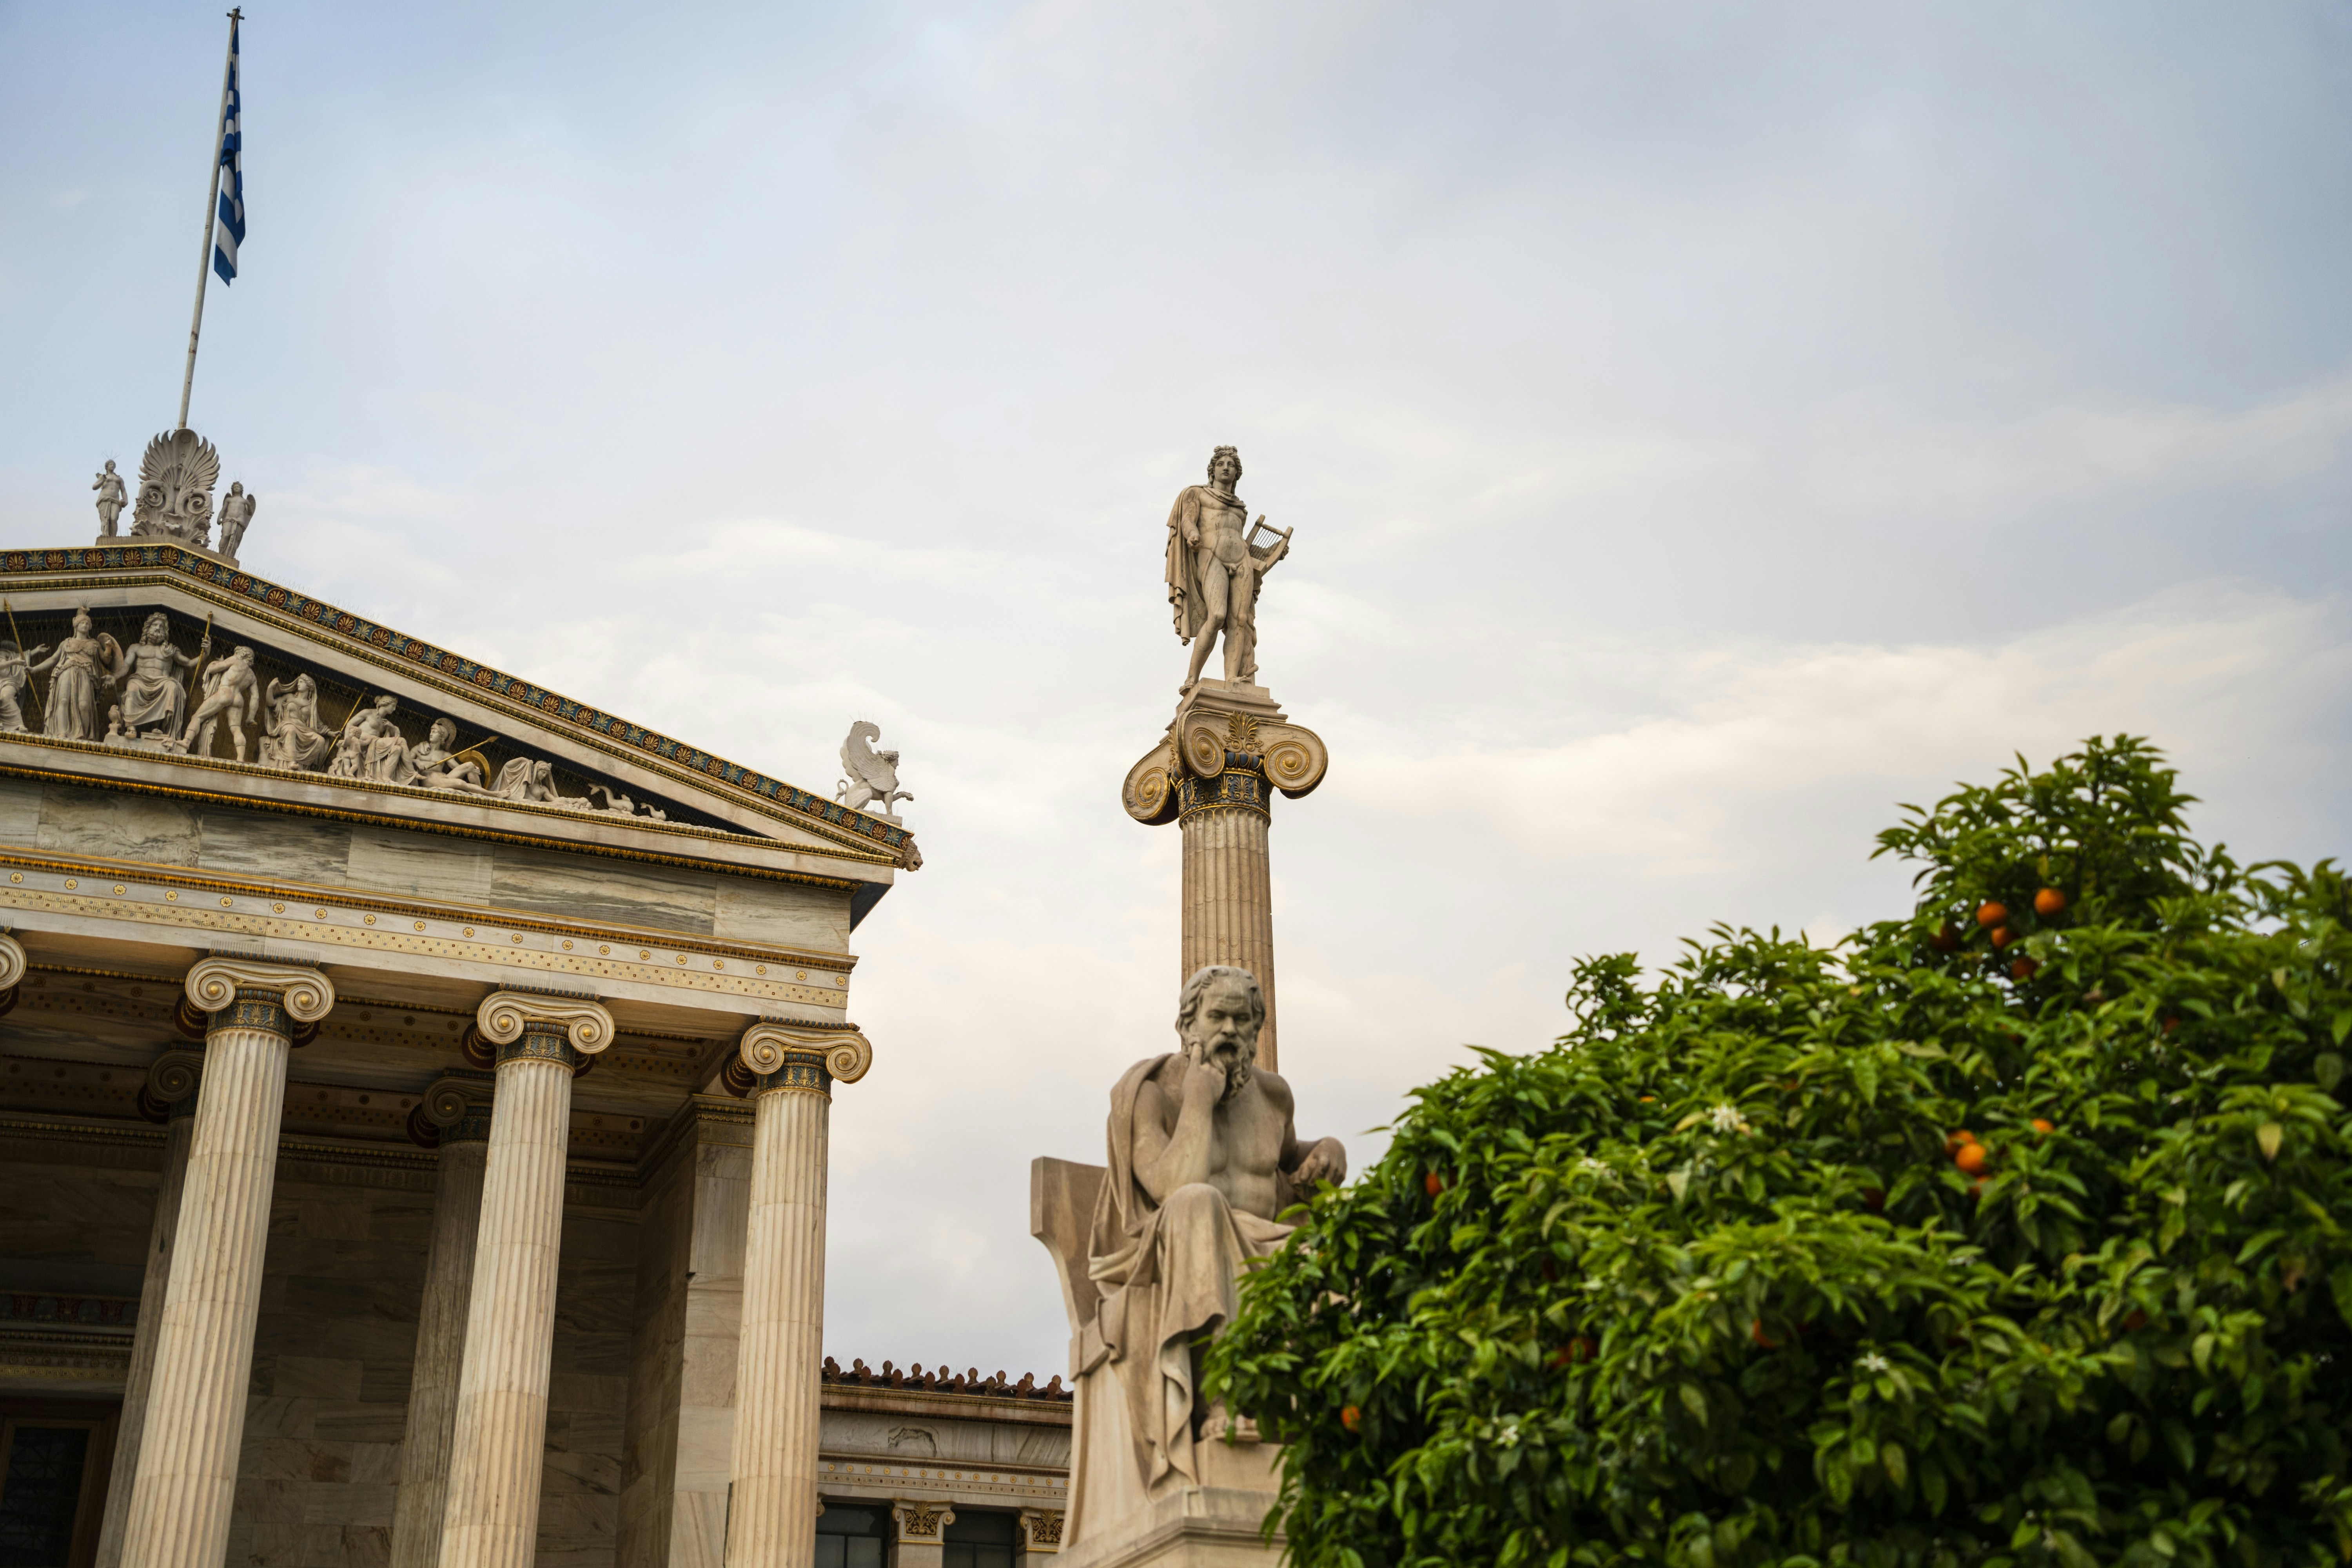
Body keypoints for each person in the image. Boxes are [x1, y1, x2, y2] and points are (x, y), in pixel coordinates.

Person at [1085, 965, 1345, 1496]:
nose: (1229, 1030)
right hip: (1174, 1247)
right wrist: (1201, 1098)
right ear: (1189, 1026)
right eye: (1217, 1017)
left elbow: (1291, 1159)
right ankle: (1222, 1396)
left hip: (1265, 1241)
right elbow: (1171, 1187)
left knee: (1342, 1236)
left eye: (1241, 1020)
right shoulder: (1152, 1093)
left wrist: (1330, 1150)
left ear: (1256, 1031)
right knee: (1198, 1203)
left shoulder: (1274, 1096)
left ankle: (1332, 1423)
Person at [1163, 446, 1290, 692]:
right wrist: (1192, 534)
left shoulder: (1240, 508)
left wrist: (1276, 549)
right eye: (1221, 463)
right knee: (1219, 615)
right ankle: (1192, 677)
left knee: (1239, 621)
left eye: (1231, 465)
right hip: (1211, 556)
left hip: (1241, 559)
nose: (1226, 468)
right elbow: (1187, 519)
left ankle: (1232, 677)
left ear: (1237, 473)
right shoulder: (1197, 494)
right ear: (1212, 470)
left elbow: (1241, 541)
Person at [110, 613, 206, 739]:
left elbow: (189, 663)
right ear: (147, 629)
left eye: (161, 627)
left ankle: (158, 726)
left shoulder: (170, 650)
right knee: (132, 689)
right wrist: (114, 677)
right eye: (155, 625)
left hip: (162, 681)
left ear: (165, 632)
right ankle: (131, 726)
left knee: (171, 686)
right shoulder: (136, 648)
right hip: (140, 680)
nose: (158, 628)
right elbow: (126, 666)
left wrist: (205, 653)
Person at [27, 609, 112, 741]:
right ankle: (62, 733)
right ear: (76, 626)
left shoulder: (94, 644)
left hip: (86, 675)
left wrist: (109, 648)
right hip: (66, 672)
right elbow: (53, 660)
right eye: (82, 623)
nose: (85, 625)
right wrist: (34, 669)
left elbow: (106, 659)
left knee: (84, 705)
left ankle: (83, 736)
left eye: (87, 623)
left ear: (90, 627)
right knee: (63, 701)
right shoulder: (66, 643)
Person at [182, 646, 261, 762]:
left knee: (198, 716)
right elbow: (256, 697)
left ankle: (186, 742)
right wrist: (251, 717)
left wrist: (215, 664)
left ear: (242, 654)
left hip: (225, 692)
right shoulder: (252, 676)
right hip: (238, 699)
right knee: (236, 730)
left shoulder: (235, 660)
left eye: (237, 652)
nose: (236, 654)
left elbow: (215, 669)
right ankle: (240, 758)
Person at [93, 461, 128, 537]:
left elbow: (123, 490)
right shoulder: (103, 477)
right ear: (107, 467)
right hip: (104, 499)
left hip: (115, 500)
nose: (113, 466)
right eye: (111, 465)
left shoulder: (119, 479)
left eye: (114, 465)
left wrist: (126, 500)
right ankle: (105, 535)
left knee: (113, 519)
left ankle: (113, 537)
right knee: (105, 519)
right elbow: (94, 487)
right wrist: (102, 481)